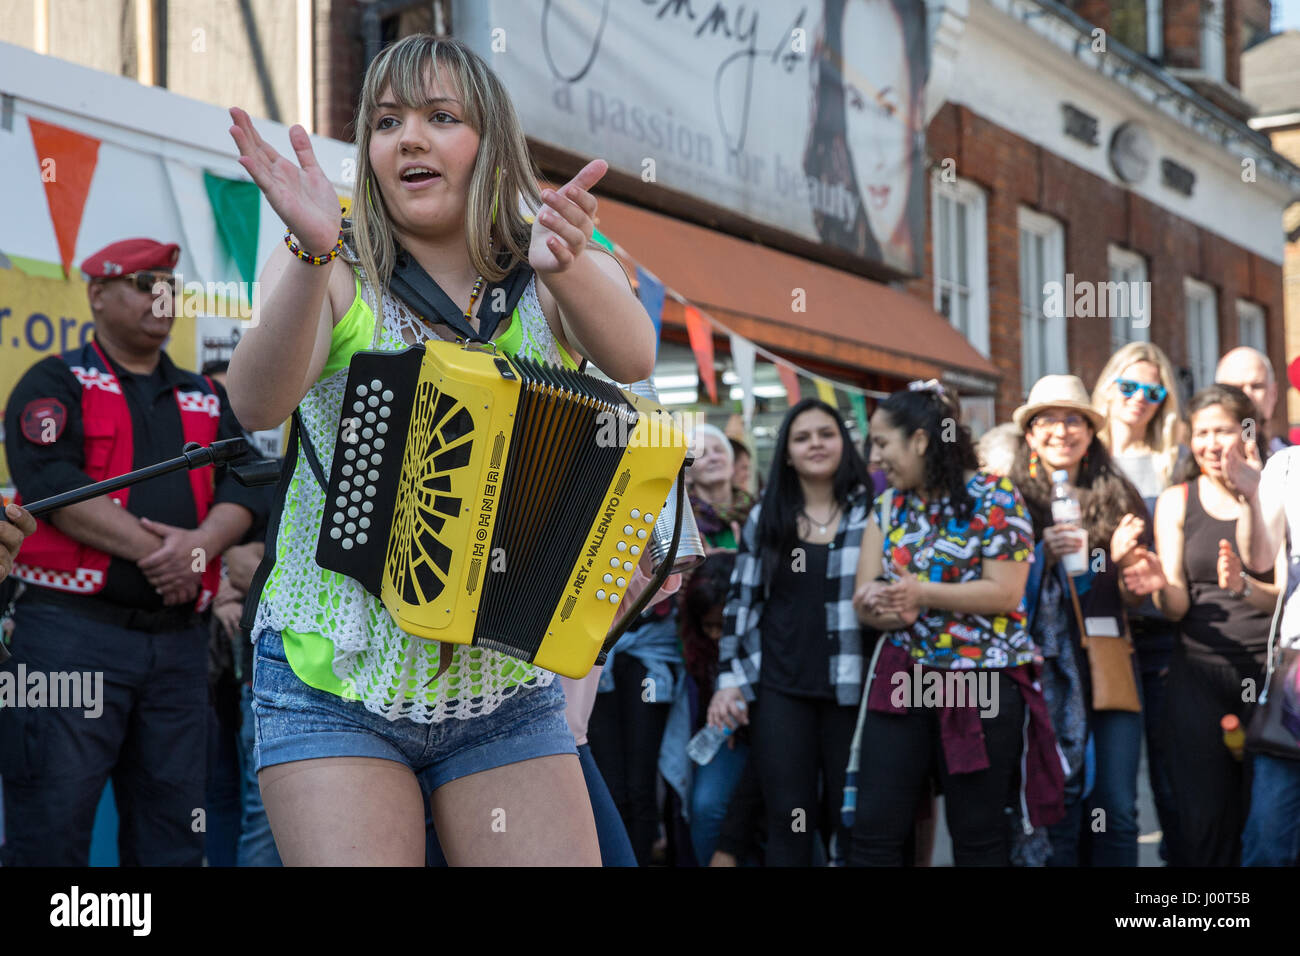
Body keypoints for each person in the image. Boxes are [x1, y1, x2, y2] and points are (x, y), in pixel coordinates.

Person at [226, 34, 654, 865]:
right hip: (332, 680)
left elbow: (635, 357)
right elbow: (254, 402)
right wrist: (312, 253)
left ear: (490, 142)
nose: (409, 137)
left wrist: (564, 266)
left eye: (440, 117)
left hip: (504, 687)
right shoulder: (329, 251)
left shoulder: (551, 257)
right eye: (386, 122)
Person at [0, 237, 266, 866]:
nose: (162, 298)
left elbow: (249, 483)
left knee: (175, 836)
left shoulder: (207, 393)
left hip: (178, 650)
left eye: (170, 286)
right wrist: (169, 554)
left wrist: (201, 545)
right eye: (144, 285)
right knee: (50, 827)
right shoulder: (55, 379)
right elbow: (51, 488)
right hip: (67, 641)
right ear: (96, 295)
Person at [849, 383, 1056, 866]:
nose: (876, 459)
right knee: (874, 828)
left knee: (978, 835)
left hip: (981, 681)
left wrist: (920, 593)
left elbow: (1005, 591)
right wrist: (883, 606)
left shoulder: (995, 495)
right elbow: (863, 600)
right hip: (905, 676)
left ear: (920, 441)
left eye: (882, 444)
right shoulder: (888, 505)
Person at [707, 398, 872, 865]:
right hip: (781, 688)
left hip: (852, 688)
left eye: (826, 434)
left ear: (844, 441)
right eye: (802, 437)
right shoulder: (767, 516)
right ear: (785, 452)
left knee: (852, 815)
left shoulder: (870, 513)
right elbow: (743, 603)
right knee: (788, 818)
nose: (815, 444)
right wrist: (728, 680)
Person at [1135, 384, 1281, 866]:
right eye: (1201, 433)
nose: (1211, 443)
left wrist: (1242, 586)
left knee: (1263, 820)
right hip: (1196, 672)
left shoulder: (1276, 492)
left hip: (1267, 674)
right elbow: (1176, 606)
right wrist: (1158, 584)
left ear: (1248, 432)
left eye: (1222, 430)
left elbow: (1283, 599)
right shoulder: (1177, 500)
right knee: (1202, 820)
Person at [1010, 375, 1152, 867]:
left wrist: (1119, 563)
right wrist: (1040, 557)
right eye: (1048, 420)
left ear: (1091, 433)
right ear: (1030, 433)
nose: (1062, 430)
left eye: (1074, 420)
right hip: (1042, 669)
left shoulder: (1117, 495)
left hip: (1110, 661)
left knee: (1116, 807)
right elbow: (1001, 593)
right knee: (1058, 803)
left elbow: (1136, 596)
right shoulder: (1009, 498)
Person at [1090, 341, 1185, 861]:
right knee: (1112, 794)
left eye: (1152, 390)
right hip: (1107, 640)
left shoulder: (1176, 460)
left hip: (1170, 636)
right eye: (1129, 386)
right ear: (1108, 387)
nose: (1139, 399)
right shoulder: (1086, 456)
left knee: (1175, 785)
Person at [1210, 393, 1300, 866]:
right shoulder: (1287, 465)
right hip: (1295, 677)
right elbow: (1262, 561)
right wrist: (1251, 494)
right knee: (1269, 836)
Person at [1216, 346, 1289, 453]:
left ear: (1273, 393)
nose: (1247, 394)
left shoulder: (1294, 462)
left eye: (1256, 386)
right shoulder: (1200, 463)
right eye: (1237, 388)